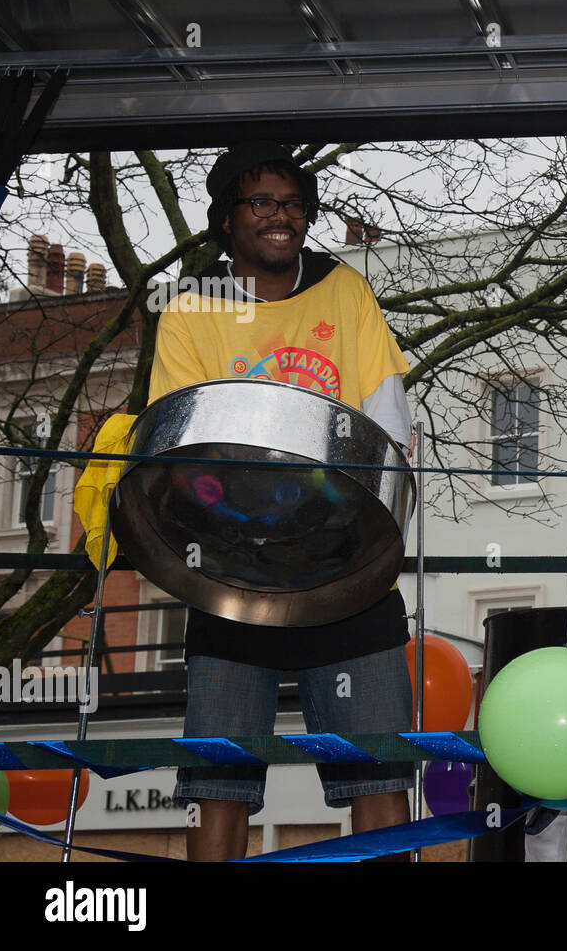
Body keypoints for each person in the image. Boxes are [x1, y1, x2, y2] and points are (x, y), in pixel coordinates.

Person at [148, 142, 414, 861]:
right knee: (219, 785)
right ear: (227, 220)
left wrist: (348, 520)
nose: (280, 216)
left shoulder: (345, 291)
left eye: (293, 204)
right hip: (232, 570)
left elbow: (387, 426)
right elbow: (180, 447)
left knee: (379, 774)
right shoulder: (193, 306)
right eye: (261, 202)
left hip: (343, 565)